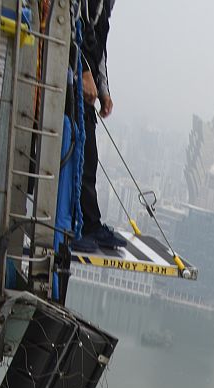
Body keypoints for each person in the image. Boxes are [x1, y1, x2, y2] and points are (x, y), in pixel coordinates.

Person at [72, 1, 127, 252]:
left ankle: (88, 224)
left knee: (87, 157)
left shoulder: (105, 5)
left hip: (84, 84)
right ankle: (76, 225)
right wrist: (83, 71)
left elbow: (99, 46)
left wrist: (103, 90)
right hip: (68, 79)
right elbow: (73, 27)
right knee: (75, 156)